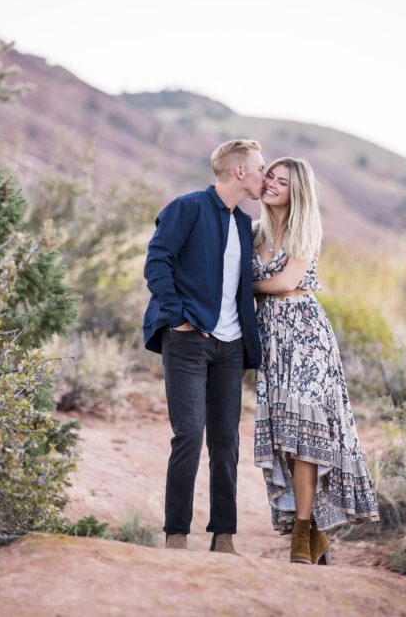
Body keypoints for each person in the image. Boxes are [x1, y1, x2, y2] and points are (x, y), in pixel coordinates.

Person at [252, 157, 380, 564]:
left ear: (297, 192)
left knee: (306, 432)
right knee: (287, 438)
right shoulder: (253, 233)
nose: (272, 184)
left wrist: (245, 286)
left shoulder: (305, 231)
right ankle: (315, 535)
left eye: (282, 181)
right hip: (272, 341)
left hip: (306, 336)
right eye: (270, 177)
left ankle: (301, 537)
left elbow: (286, 281)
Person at [143, 139, 266, 554]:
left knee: (226, 441)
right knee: (189, 435)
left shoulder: (244, 224)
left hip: (231, 347)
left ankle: (224, 536)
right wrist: (177, 318)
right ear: (239, 171)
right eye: (260, 168)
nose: (264, 175)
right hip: (187, 340)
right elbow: (157, 261)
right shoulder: (188, 207)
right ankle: (176, 535)